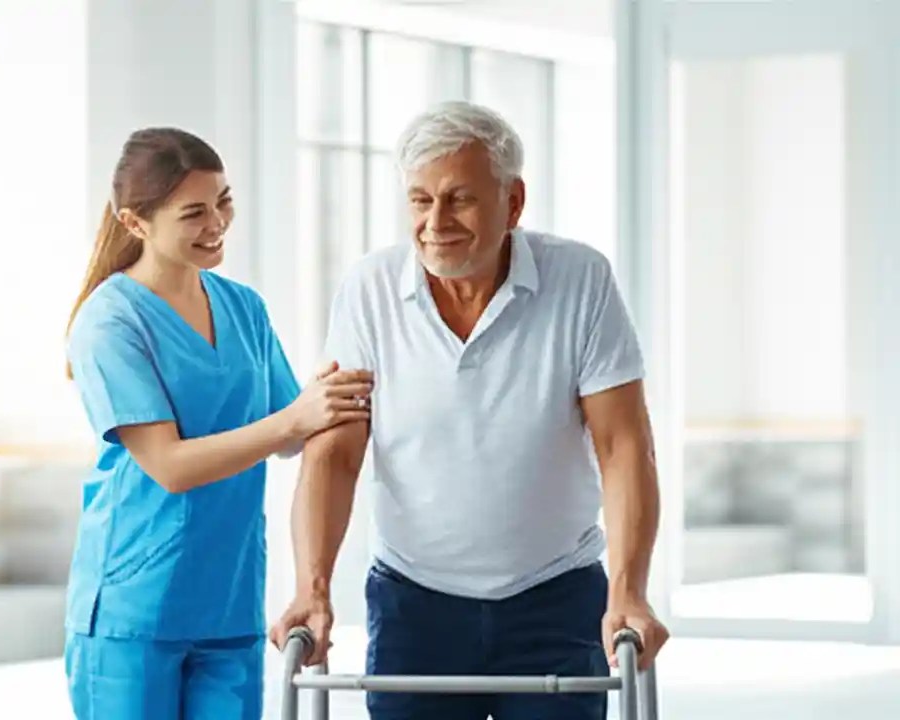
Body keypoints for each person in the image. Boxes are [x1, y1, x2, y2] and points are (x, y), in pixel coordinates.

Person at [269, 101, 670, 720]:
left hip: (556, 597)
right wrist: (311, 587)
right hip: (415, 602)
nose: (436, 221)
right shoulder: (370, 289)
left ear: (513, 203)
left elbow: (622, 447)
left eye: (460, 199)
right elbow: (336, 453)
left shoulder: (582, 279)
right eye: (420, 200)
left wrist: (628, 591)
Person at [63, 127, 373, 720]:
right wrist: (294, 420)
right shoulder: (109, 322)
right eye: (194, 213)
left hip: (228, 602)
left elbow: (299, 426)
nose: (218, 224)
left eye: (225, 202)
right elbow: (170, 466)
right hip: (134, 609)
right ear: (135, 223)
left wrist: (347, 389)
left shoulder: (243, 308)